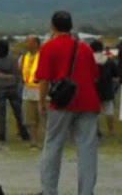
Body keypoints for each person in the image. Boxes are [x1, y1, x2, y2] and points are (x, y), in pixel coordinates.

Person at [37, 11, 100, 195]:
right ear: (71, 26)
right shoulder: (85, 48)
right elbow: (94, 76)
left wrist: (42, 102)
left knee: (53, 146)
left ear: (53, 26)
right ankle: (86, 191)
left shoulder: (49, 48)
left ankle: (49, 190)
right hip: (88, 102)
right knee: (87, 150)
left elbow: (44, 79)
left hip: (61, 104)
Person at [0, 38, 29, 144]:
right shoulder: (12, 59)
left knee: (1, 113)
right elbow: (17, 73)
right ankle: (23, 132)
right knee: (18, 112)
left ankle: (1, 135)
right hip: (12, 88)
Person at [21, 35, 44, 148]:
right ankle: (33, 141)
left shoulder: (43, 56)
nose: (26, 44)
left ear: (35, 43)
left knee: (43, 116)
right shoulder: (24, 57)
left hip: (41, 90)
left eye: (28, 42)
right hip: (28, 90)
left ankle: (44, 141)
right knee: (30, 118)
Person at [91, 40, 118, 137]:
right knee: (109, 111)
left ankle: (97, 131)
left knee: (95, 113)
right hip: (107, 89)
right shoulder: (109, 60)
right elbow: (116, 74)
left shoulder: (89, 60)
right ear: (101, 48)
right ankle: (111, 130)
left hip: (93, 90)